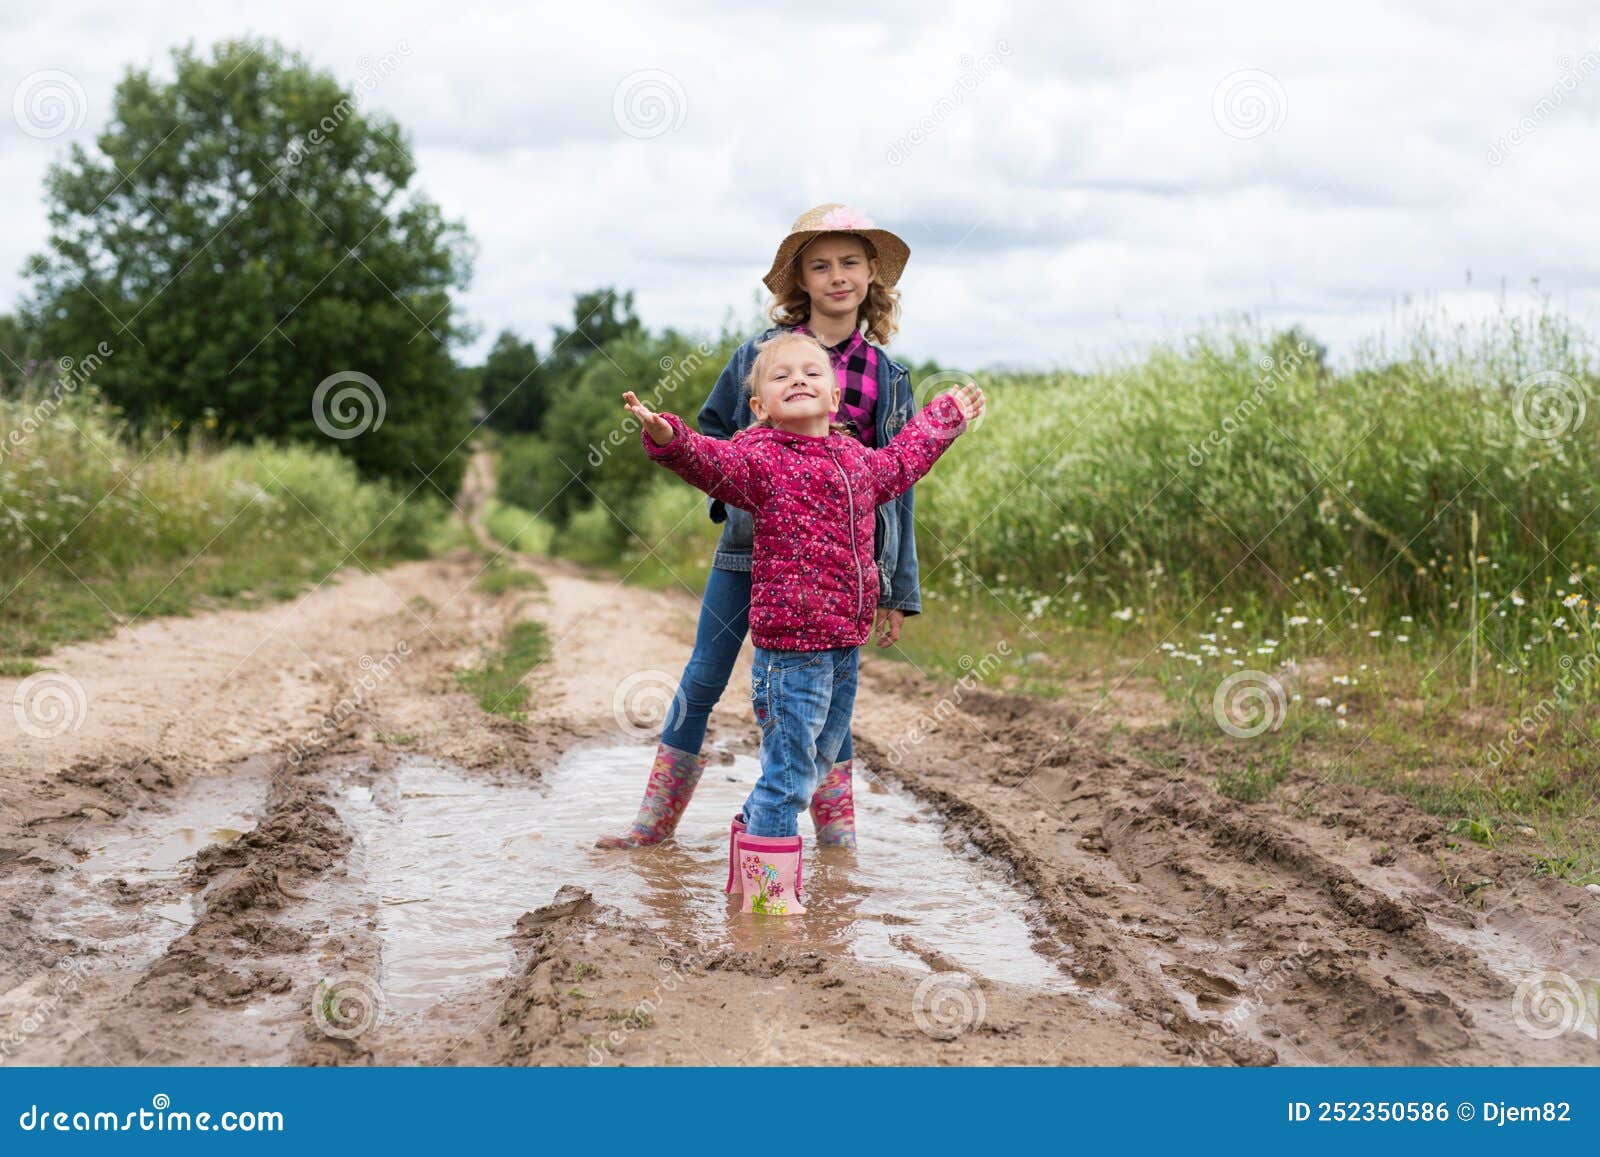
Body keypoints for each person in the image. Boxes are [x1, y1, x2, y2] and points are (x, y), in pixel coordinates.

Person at [597, 204, 924, 851]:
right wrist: (750, 494)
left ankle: (836, 839)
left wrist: (896, 586)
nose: (837, 276)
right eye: (820, 264)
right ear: (799, 277)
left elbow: (899, 485)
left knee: (827, 692)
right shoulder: (758, 354)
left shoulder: (888, 377)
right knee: (702, 678)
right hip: (749, 554)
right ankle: (653, 824)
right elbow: (709, 436)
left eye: (850, 262)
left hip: (837, 572)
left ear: (871, 274)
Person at [623, 331, 985, 914]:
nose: (798, 380)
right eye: (781, 375)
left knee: (815, 765)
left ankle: (753, 838)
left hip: (844, 647)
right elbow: (706, 460)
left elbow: (902, 463)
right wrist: (665, 435)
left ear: (835, 397)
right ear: (761, 406)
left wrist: (945, 416)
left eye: (811, 373)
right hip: (791, 654)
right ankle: (767, 907)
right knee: (789, 776)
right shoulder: (758, 460)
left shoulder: (856, 462)